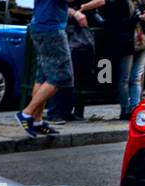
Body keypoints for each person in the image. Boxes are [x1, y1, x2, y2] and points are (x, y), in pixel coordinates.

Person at [18, 0, 92, 135]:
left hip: (40, 26)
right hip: (52, 29)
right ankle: (27, 113)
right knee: (62, 76)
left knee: (43, 76)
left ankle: (37, 121)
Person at [99, 0, 145, 118]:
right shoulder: (118, 3)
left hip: (141, 43)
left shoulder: (140, 3)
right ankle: (125, 109)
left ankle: (134, 107)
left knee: (136, 77)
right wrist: (138, 19)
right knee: (125, 78)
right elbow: (117, 24)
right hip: (126, 43)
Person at [47, 2, 99, 122]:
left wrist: (82, 8)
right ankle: (54, 112)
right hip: (64, 36)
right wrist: (75, 12)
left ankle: (65, 111)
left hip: (74, 39)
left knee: (72, 79)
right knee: (61, 76)